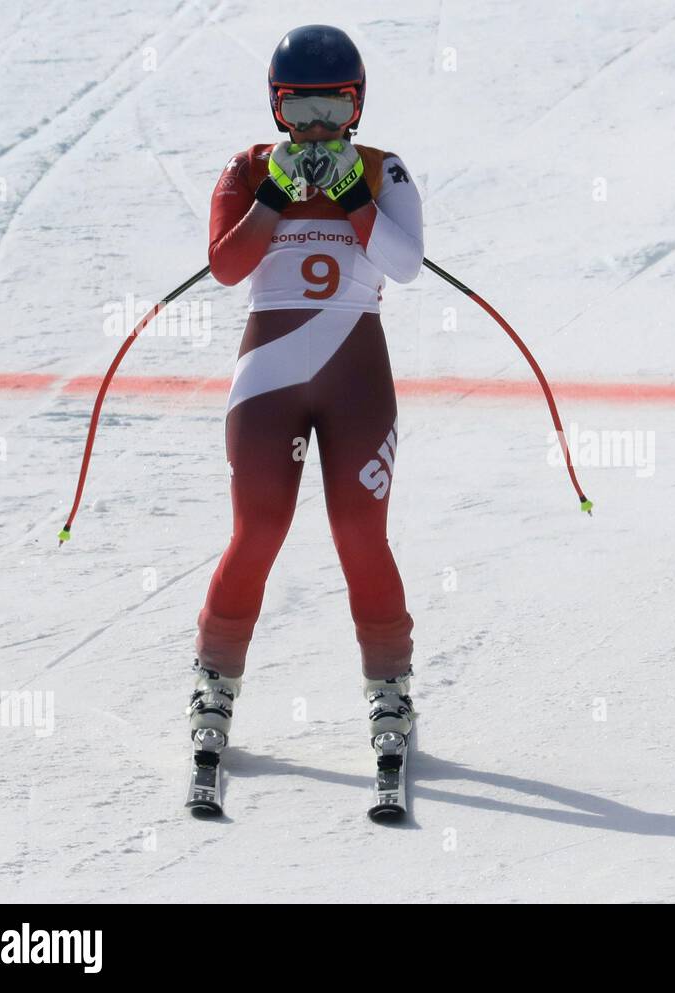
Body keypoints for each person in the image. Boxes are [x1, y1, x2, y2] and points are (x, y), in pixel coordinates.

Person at [186, 25, 419, 763]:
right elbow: (226, 266)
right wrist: (278, 194)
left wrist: (351, 193)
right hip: (270, 380)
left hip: (356, 376)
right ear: (275, 108)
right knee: (258, 529)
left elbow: (405, 262)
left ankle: (390, 687)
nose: (316, 127)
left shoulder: (384, 169)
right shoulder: (250, 168)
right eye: (300, 110)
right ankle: (214, 681)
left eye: (333, 108)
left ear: (358, 107)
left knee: (359, 535)